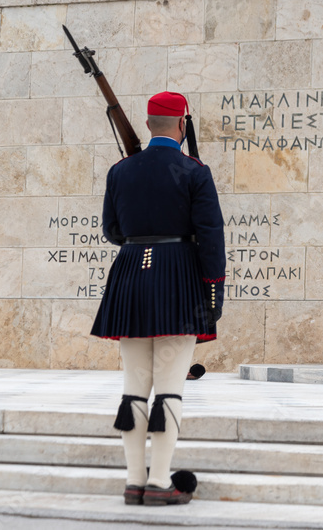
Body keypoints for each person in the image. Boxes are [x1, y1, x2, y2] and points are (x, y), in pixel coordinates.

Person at [90, 91, 225, 505]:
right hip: (178, 278)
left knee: (134, 388)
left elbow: (112, 230)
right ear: (182, 126)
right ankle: (161, 481)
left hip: (130, 275)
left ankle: (134, 481)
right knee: (169, 388)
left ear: (148, 125)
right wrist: (213, 290)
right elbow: (211, 236)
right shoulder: (194, 170)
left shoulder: (120, 171)